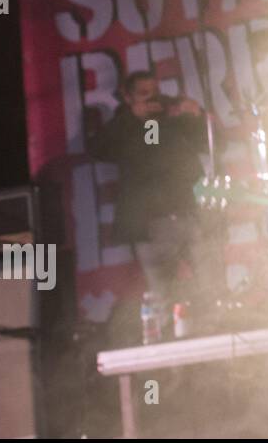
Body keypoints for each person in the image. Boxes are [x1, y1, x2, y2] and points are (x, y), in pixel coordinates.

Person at [89, 71, 222, 322]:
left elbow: (215, 143)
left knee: (210, 286)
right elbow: (97, 149)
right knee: (164, 295)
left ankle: (216, 329)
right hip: (152, 222)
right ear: (128, 97)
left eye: (155, 91)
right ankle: (170, 338)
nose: (152, 98)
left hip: (189, 211)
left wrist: (197, 115)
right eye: (144, 93)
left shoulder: (173, 114)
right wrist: (133, 118)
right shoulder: (125, 124)